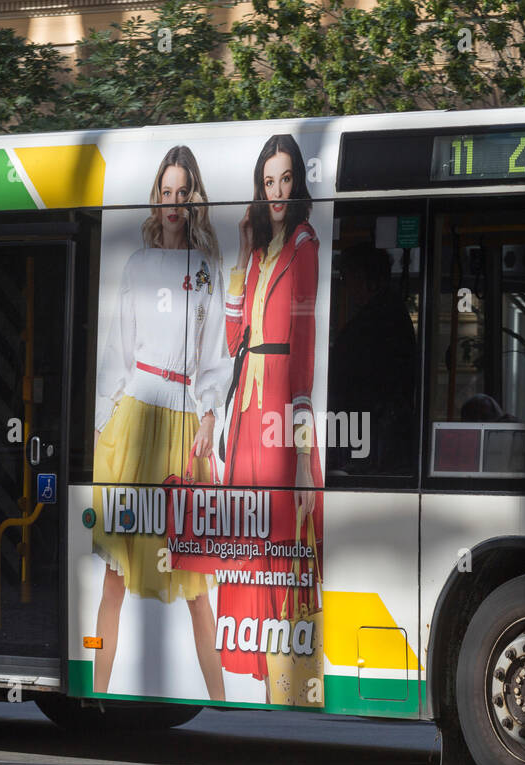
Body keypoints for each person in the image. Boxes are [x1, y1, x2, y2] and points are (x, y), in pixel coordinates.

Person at [91, 145, 229, 700]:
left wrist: (210, 414)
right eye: (165, 193)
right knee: (116, 574)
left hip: (182, 426)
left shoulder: (208, 270)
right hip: (136, 419)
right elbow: (117, 352)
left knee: (195, 582)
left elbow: (216, 352)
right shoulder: (137, 265)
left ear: (193, 198)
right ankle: (98, 692)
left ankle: (222, 704)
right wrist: (104, 419)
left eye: (182, 193)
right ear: (157, 199)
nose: (173, 203)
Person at [218, 134, 323, 700]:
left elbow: (303, 352)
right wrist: (240, 259)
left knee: (279, 542)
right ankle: (259, 668)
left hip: (280, 414)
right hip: (246, 415)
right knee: (248, 537)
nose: (277, 191)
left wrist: (305, 453)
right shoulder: (259, 254)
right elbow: (235, 337)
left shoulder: (306, 246)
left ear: (299, 183)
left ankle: (282, 675)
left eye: (286, 180)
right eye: (268, 182)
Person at [328, 243, 416, 474]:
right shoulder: (390, 312)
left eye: (347, 278)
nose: (346, 287)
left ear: (364, 278)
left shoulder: (377, 321)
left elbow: (352, 372)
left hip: (371, 431)